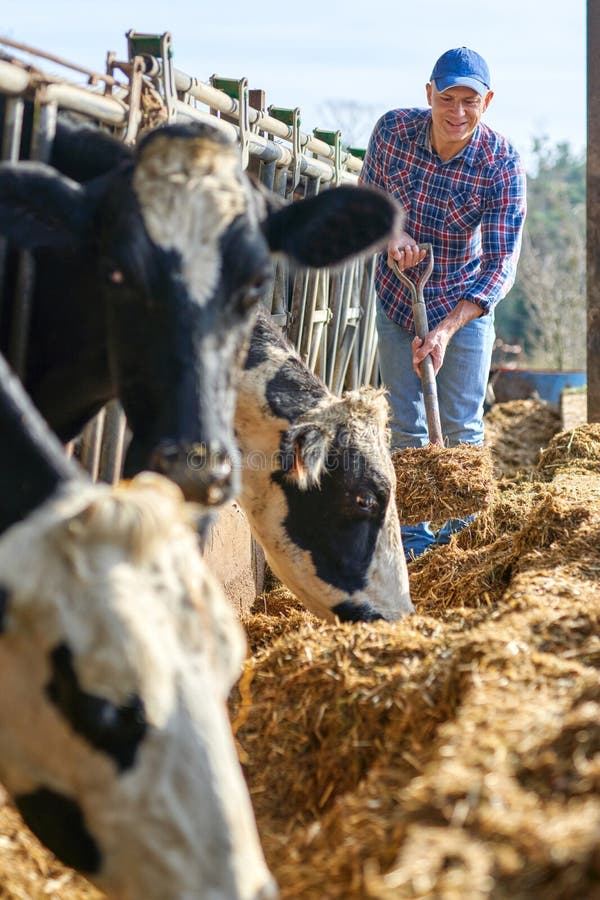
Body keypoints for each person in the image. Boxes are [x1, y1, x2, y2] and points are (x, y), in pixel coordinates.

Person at [360, 46, 527, 561]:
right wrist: (392, 236)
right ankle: (412, 544)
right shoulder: (392, 133)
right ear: (428, 94)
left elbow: (501, 264)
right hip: (397, 298)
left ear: (488, 101)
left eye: (470, 101)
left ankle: (461, 546)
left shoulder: (501, 162)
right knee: (407, 424)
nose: (457, 112)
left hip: (464, 303)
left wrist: (447, 329)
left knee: (462, 424)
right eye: (447, 98)